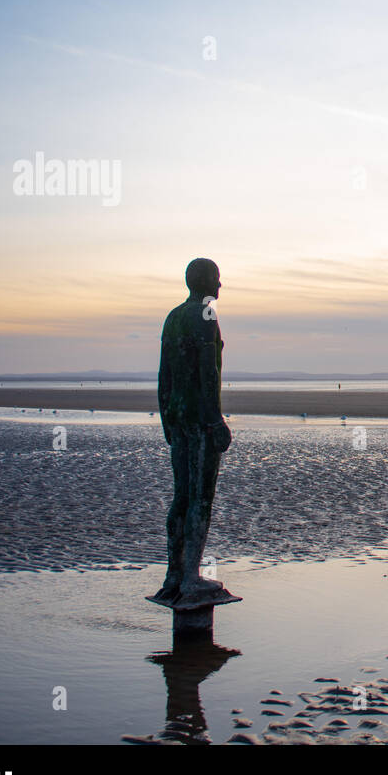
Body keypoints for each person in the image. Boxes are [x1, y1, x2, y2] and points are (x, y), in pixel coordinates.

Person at [154, 258, 234, 607]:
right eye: (217, 279)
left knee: (181, 496)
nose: (221, 286)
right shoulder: (205, 316)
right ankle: (188, 578)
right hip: (199, 421)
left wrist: (166, 421)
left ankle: (175, 575)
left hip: (178, 418)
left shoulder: (173, 318)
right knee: (200, 497)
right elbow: (208, 375)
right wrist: (215, 421)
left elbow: (164, 376)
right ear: (204, 282)